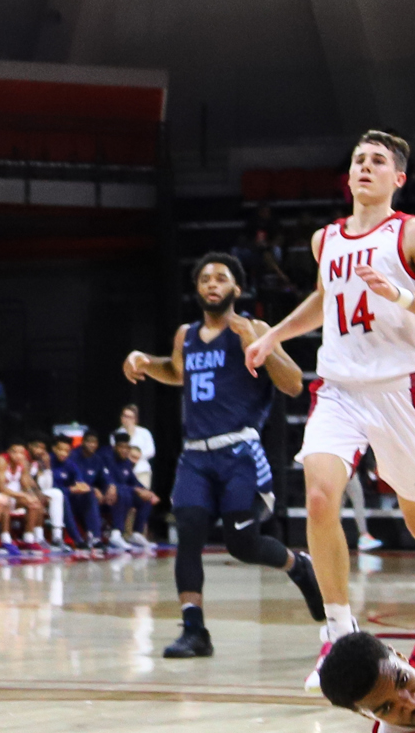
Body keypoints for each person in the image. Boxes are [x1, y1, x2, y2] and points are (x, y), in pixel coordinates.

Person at [242, 132, 415, 690]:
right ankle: (339, 635)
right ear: (348, 176)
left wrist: (399, 295)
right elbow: (326, 299)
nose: (366, 167)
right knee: (320, 497)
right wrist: (274, 336)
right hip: (339, 387)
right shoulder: (326, 239)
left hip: (396, 392)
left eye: (378, 161)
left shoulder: (412, 233)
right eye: (359, 160)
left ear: (398, 178)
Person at [124, 252, 325, 656]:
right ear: (197, 290)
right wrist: (146, 363)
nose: (212, 284)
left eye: (220, 278)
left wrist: (260, 347)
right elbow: (177, 372)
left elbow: (292, 385)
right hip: (195, 456)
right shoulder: (186, 335)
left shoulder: (254, 328)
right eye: (205, 279)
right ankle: (194, 630)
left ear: (237, 288)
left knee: (242, 545)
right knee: (188, 534)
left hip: (240, 452)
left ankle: (298, 565)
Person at [48, 434, 102, 549]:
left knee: (89, 494)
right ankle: (77, 539)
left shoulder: (70, 464)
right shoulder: (48, 462)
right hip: (52, 498)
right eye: (60, 450)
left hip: (69, 495)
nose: (63, 453)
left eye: (67, 451)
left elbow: (80, 482)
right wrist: (70, 489)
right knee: (62, 497)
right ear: (54, 449)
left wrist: (86, 488)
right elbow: (50, 488)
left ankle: (95, 537)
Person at [114, 403, 156, 487]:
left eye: (130, 417)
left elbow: (151, 451)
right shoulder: (116, 434)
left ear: (135, 419)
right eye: (125, 416)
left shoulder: (144, 432)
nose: (127, 419)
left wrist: (137, 455)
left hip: (142, 471)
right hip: (123, 472)